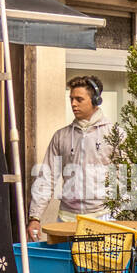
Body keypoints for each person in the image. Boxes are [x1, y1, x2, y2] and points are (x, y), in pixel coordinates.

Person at [28, 76, 116, 239]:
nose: (73, 104)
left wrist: (120, 216)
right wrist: (35, 217)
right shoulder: (61, 136)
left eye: (79, 99)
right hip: (66, 220)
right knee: (63, 264)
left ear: (96, 100)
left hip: (102, 219)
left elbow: (125, 180)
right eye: (71, 99)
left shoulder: (114, 134)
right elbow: (46, 178)